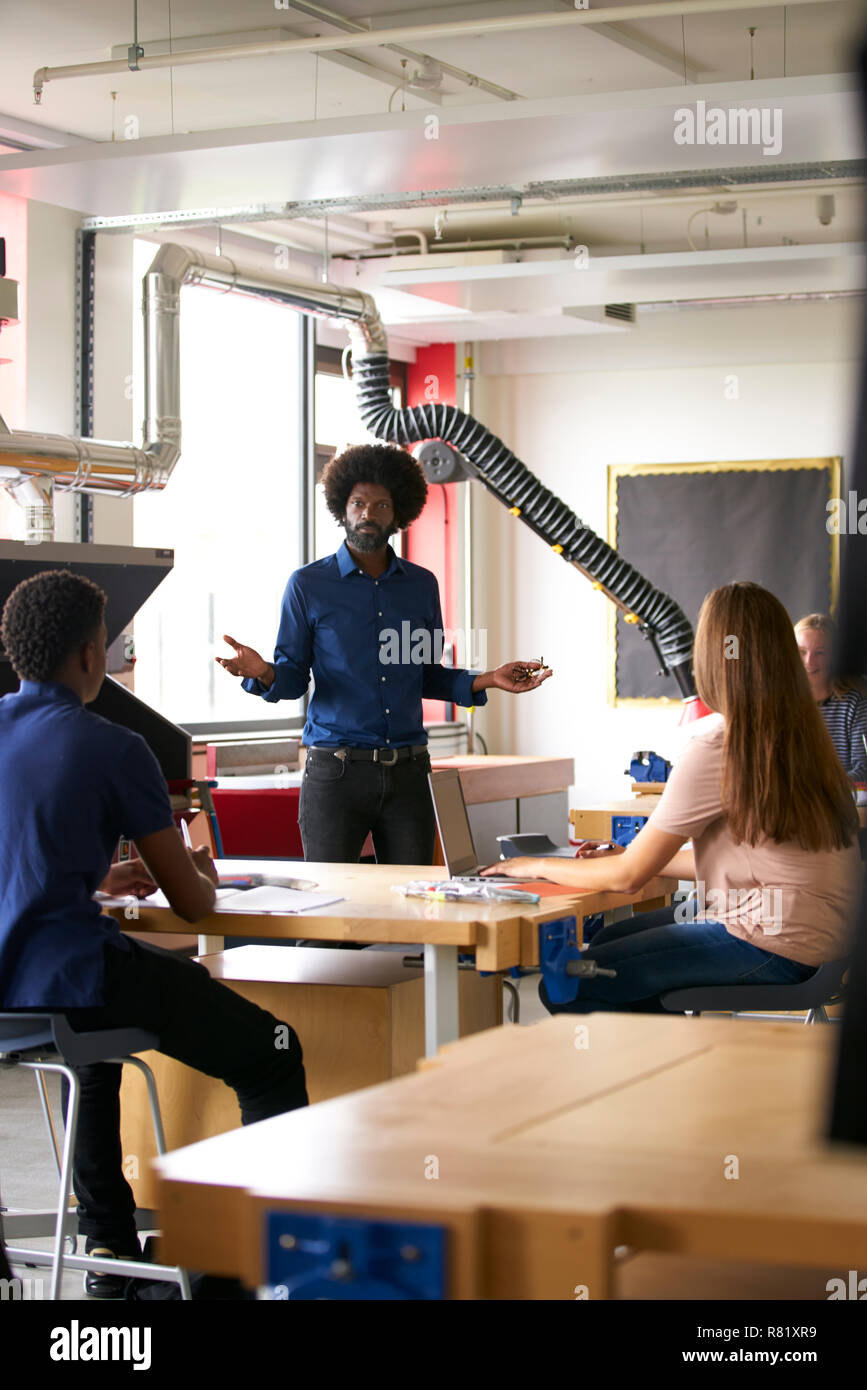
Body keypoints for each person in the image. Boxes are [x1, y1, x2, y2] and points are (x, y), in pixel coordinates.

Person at [0, 570, 308, 1297]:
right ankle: (240, 1269)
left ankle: (110, 1256)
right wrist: (195, 867)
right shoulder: (112, 746)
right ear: (89, 655)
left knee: (96, 1053)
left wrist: (95, 881)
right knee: (272, 1052)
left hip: (15, 998)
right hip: (71, 980)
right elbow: (194, 907)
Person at [484, 582, 862, 1014]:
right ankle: (669, 1055)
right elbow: (748, 857)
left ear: (711, 659)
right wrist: (632, 853)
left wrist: (527, 864)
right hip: (822, 940)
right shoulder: (799, 733)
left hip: (775, 943)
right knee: (609, 941)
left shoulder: (724, 743)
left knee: (569, 982)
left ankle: (660, 1067)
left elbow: (628, 878)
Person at [217, 443, 552, 864]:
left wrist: (488, 679)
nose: (368, 513)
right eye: (358, 503)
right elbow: (292, 678)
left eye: (381, 504)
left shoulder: (420, 585)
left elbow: (427, 674)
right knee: (326, 913)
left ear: (399, 513)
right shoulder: (308, 585)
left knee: (412, 909)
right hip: (335, 773)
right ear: (343, 508)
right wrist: (263, 671)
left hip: (409, 774)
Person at [794, 612, 867, 783]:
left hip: (841, 802)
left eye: (820, 653)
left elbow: (863, 769)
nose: (809, 662)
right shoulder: (784, 701)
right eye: (802, 652)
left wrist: (822, 789)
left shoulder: (856, 702)